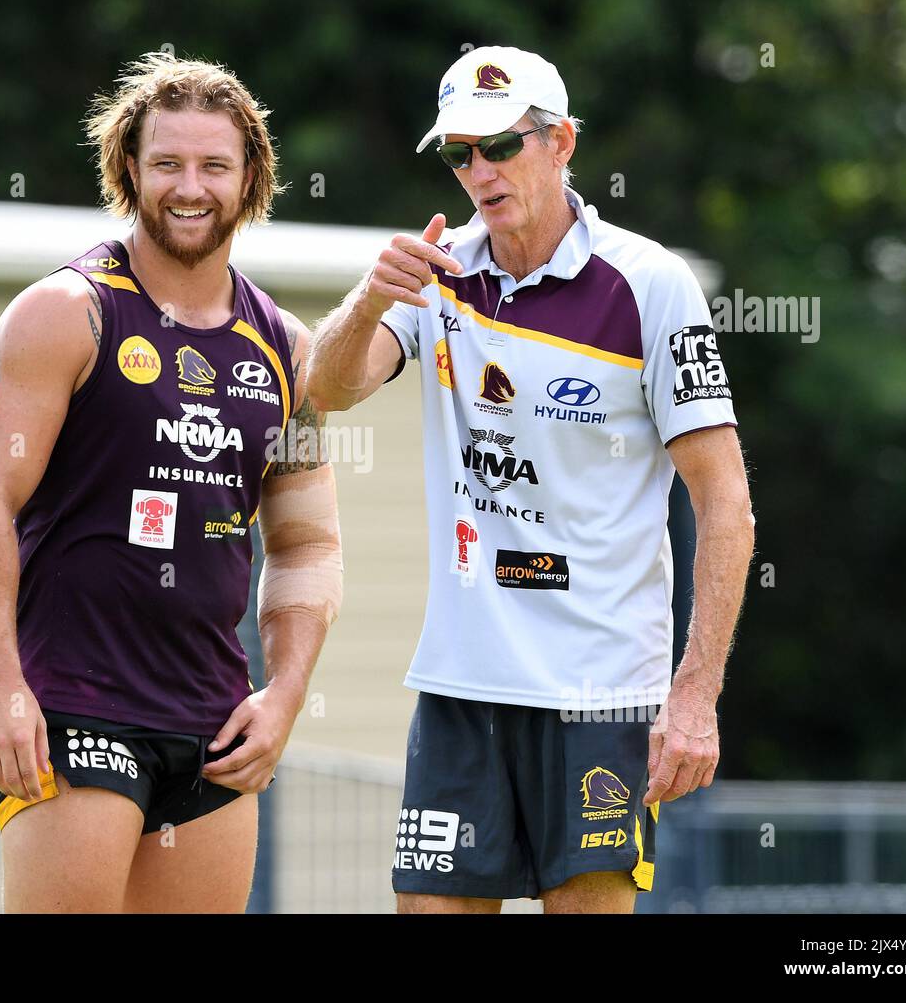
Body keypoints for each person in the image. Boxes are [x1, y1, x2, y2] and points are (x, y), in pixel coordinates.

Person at [306, 46, 755, 913]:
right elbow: (326, 392)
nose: (479, 170)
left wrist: (694, 694)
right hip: (461, 685)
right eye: (458, 153)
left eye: (500, 146)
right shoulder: (439, 272)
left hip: (601, 691)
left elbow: (724, 500)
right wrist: (368, 299)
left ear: (562, 144)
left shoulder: (650, 285)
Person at [0, 52, 342, 913]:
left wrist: (284, 695)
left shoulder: (287, 347)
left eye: (213, 166)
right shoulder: (67, 312)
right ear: (131, 168)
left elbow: (308, 543)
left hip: (212, 723)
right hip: (72, 707)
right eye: (167, 163)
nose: (188, 187)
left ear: (251, 179)